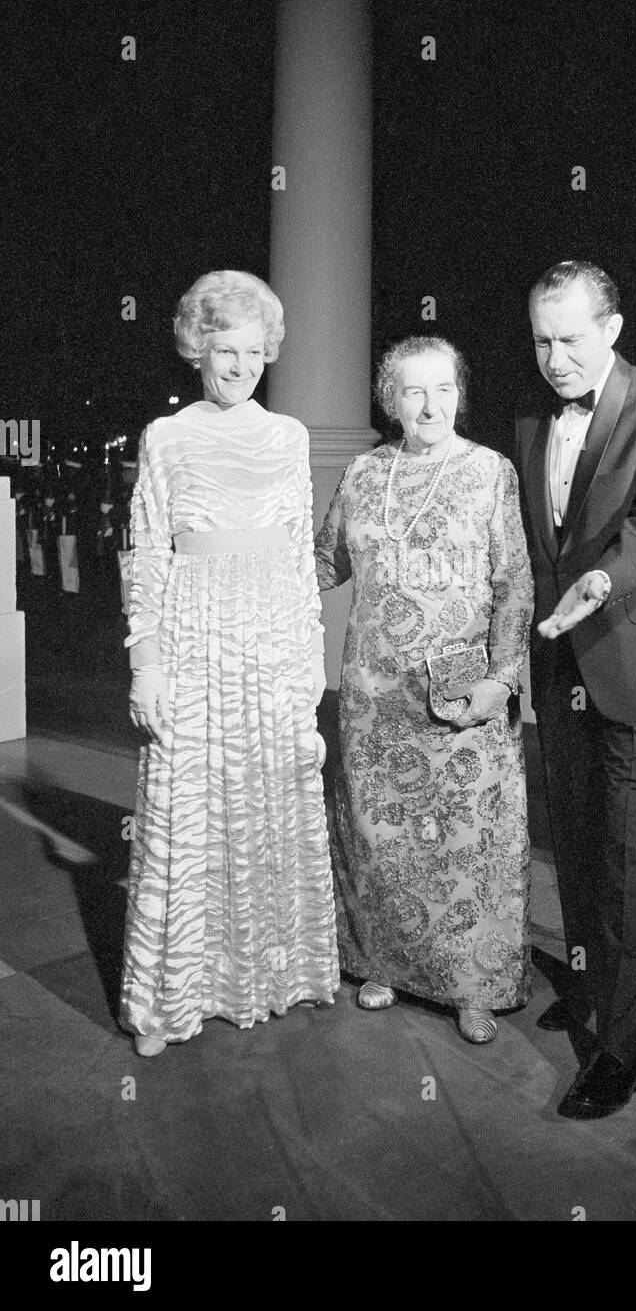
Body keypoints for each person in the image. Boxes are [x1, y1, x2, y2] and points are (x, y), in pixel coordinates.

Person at [121, 270, 338, 1056]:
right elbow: (145, 553)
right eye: (224, 349)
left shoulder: (288, 436)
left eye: (253, 350)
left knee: (265, 806)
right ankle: (170, 1000)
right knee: (187, 812)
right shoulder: (165, 437)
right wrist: (145, 665)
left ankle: (271, 977)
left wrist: (308, 665)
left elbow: (296, 557)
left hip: (270, 639)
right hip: (190, 636)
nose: (240, 365)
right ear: (196, 350)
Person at [514, 259, 636, 1119]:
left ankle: (617, 1053)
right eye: (541, 340)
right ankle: (590, 985)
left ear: (613, 329)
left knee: (632, 862)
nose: (554, 358)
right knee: (580, 849)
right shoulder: (529, 423)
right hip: (560, 672)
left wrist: (592, 588)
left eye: (571, 338)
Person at [315, 336, 533, 1044]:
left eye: (443, 388)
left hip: (463, 690)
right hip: (374, 694)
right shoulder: (360, 474)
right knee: (382, 841)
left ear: (460, 394)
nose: (430, 404)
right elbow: (320, 565)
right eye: (413, 391)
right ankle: (386, 964)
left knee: (468, 842)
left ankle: (472, 986)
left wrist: (501, 679)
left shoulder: (487, 472)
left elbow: (514, 584)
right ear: (391, 400)